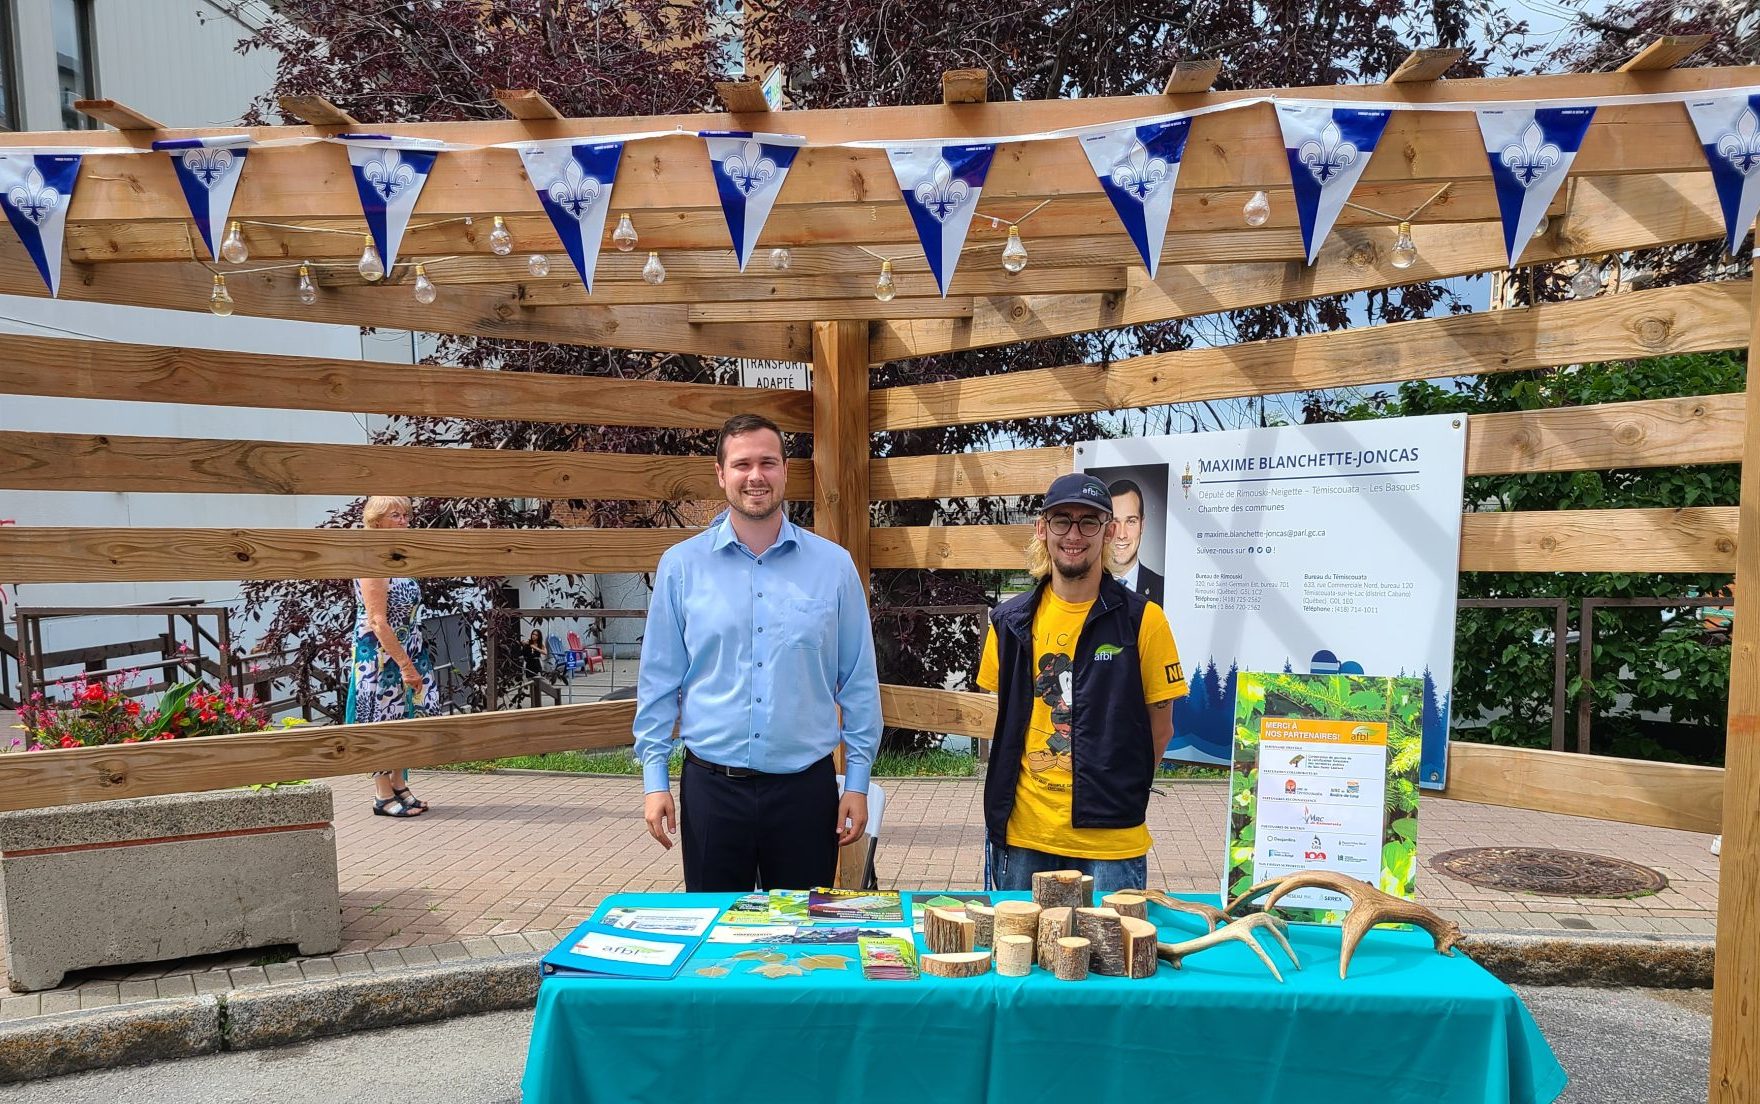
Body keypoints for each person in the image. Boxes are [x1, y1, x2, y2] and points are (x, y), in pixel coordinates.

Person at [634, 413, 881, 891]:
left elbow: (858, 682)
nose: (756, 476)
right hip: (712, 790)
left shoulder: (833, 567)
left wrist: (857, 782)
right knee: (713, 943)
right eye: (742, 463)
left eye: (768, 463)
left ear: (786, 471)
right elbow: (659, 682)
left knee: (805, 942)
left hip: (805, 791)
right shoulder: (681, 567)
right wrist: (654, 779)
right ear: (721, 474)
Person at [975, 473, 1189, 895]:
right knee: (1022, 958)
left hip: (1112, 842)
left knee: (1112, 960)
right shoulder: (1009, 622)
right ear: (1042, 528)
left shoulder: (1143, 621)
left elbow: (1160, 730)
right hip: (1024, 836)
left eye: (1089, 521)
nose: (1074, 534)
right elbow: (1010, 718)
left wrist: (1116, 787)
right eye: (1062, 520)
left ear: (1109, 531)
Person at [347, 495, 439, 818]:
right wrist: (405, 665)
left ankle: (400, 785)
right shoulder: (371, 559)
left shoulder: (397, 557)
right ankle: (382, 795)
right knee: (381, 719)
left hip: (408, 647)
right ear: (376, 521)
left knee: (406, 718)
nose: (404, 520)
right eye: (395, 515)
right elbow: (377, 621)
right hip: (381, 658)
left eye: (405, 514)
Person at [1106, 477, 1163, 606]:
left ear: (1142, 525)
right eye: (1114, 522)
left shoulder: (1162, 586)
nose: (1121, 534)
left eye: (1131, 521)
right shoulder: (1086, 586)